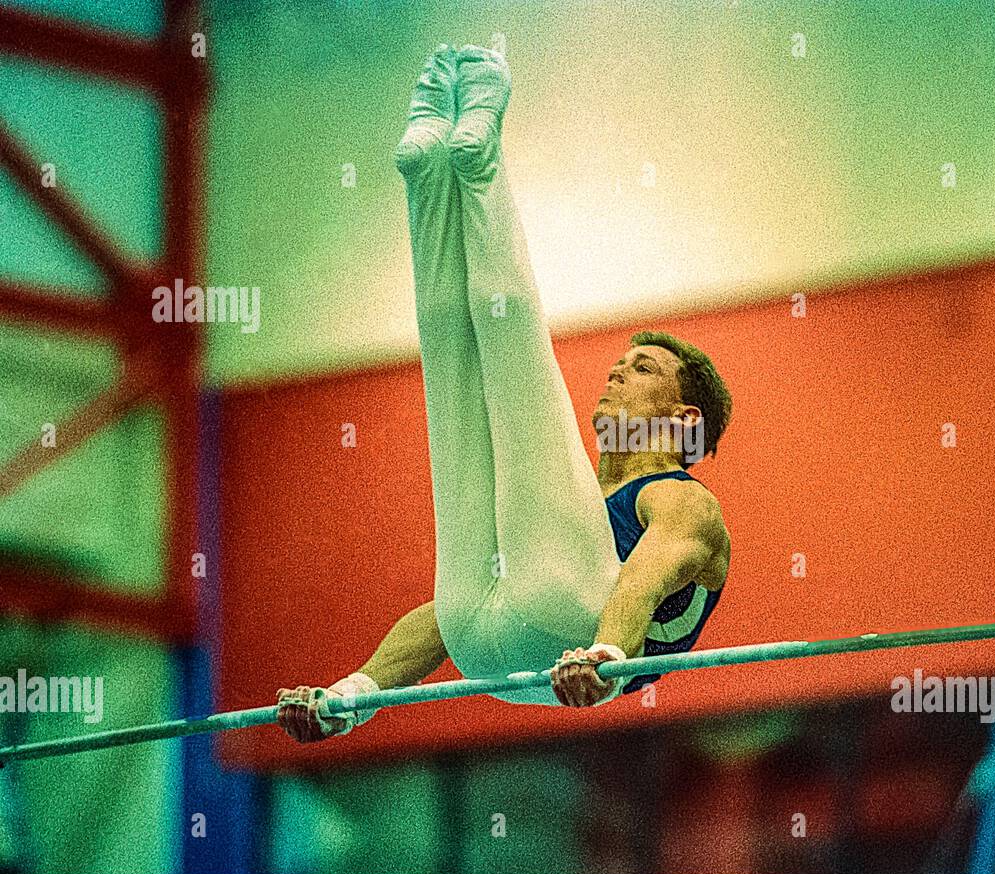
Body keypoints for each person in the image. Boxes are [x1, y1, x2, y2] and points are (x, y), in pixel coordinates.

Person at [276, 44, 732, 741]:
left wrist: (608, 654)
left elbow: (640, 581)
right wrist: (349, 693)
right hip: (480, 633)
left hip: (576, 635)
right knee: (457, 387)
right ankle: (428, 173)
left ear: (684, 419)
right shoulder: (564, 514)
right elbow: (439, 618)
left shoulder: (684, 500)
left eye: (643, 369)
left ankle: (479, 164)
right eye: (619, 362)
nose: (614, 373)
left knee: (514, 369)